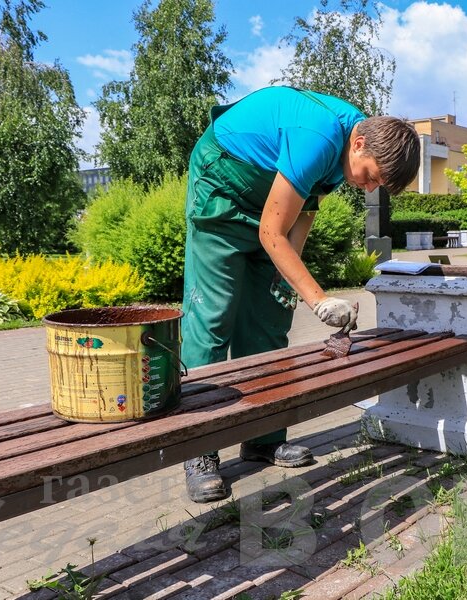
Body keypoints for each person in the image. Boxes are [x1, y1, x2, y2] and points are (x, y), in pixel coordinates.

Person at [180, 86, 420, 502]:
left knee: (270, 322)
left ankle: (263, 438)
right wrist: (319, 299)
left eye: (377, 185)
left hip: (266, 206)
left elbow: (303, 213)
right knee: (213, 319)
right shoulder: (320, 137)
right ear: (359, 143)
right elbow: (271, 232)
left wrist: (289, 280)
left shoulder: (349, 142)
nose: (368, 189)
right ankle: (199, 448)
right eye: (371, 176)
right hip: (222, 191)